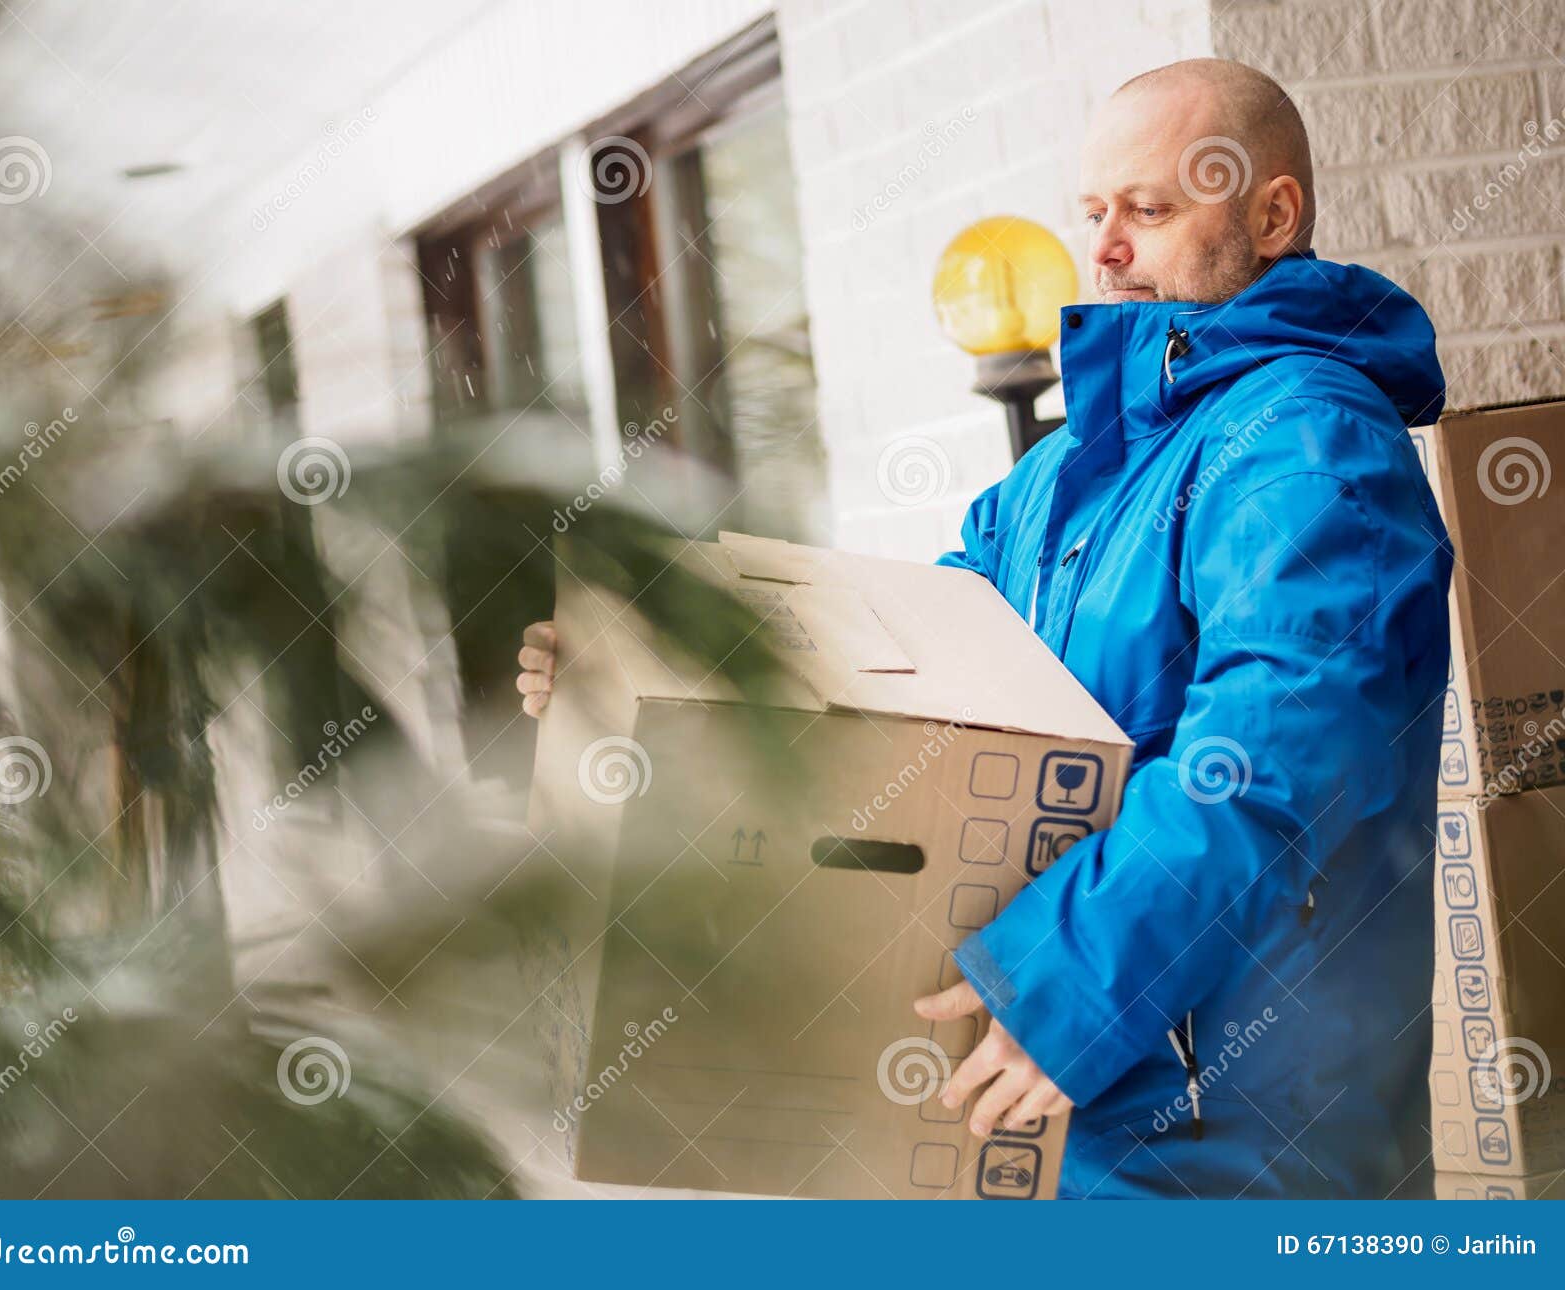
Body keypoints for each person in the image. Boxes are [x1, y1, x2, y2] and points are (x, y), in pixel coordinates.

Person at [517, 57, 1452, 1199]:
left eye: (1148, 210)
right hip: (1052, 1130)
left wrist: (1074, 988)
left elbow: (1275, 760)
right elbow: (904, 676)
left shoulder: (1309, 441)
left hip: (1234, 1146)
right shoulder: (1063, 475)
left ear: (1272, 216)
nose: (1105, 249)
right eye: (1094, 213)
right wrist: (633, 672)